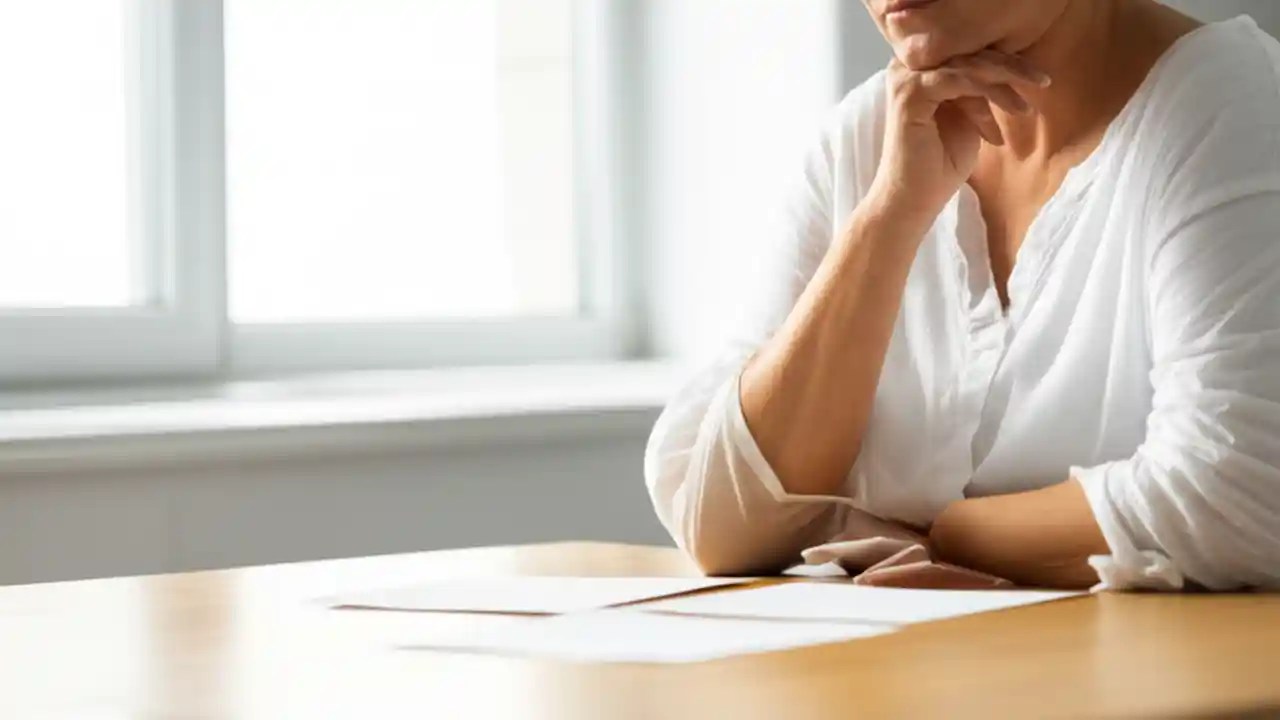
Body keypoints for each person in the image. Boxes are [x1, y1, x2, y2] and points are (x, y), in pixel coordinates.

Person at [644, 0, 1280, 591]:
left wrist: (946, 536)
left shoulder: (1233, 105)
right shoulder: (872, 135)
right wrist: (890, 215)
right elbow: (718, 523)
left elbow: (1241, 489)